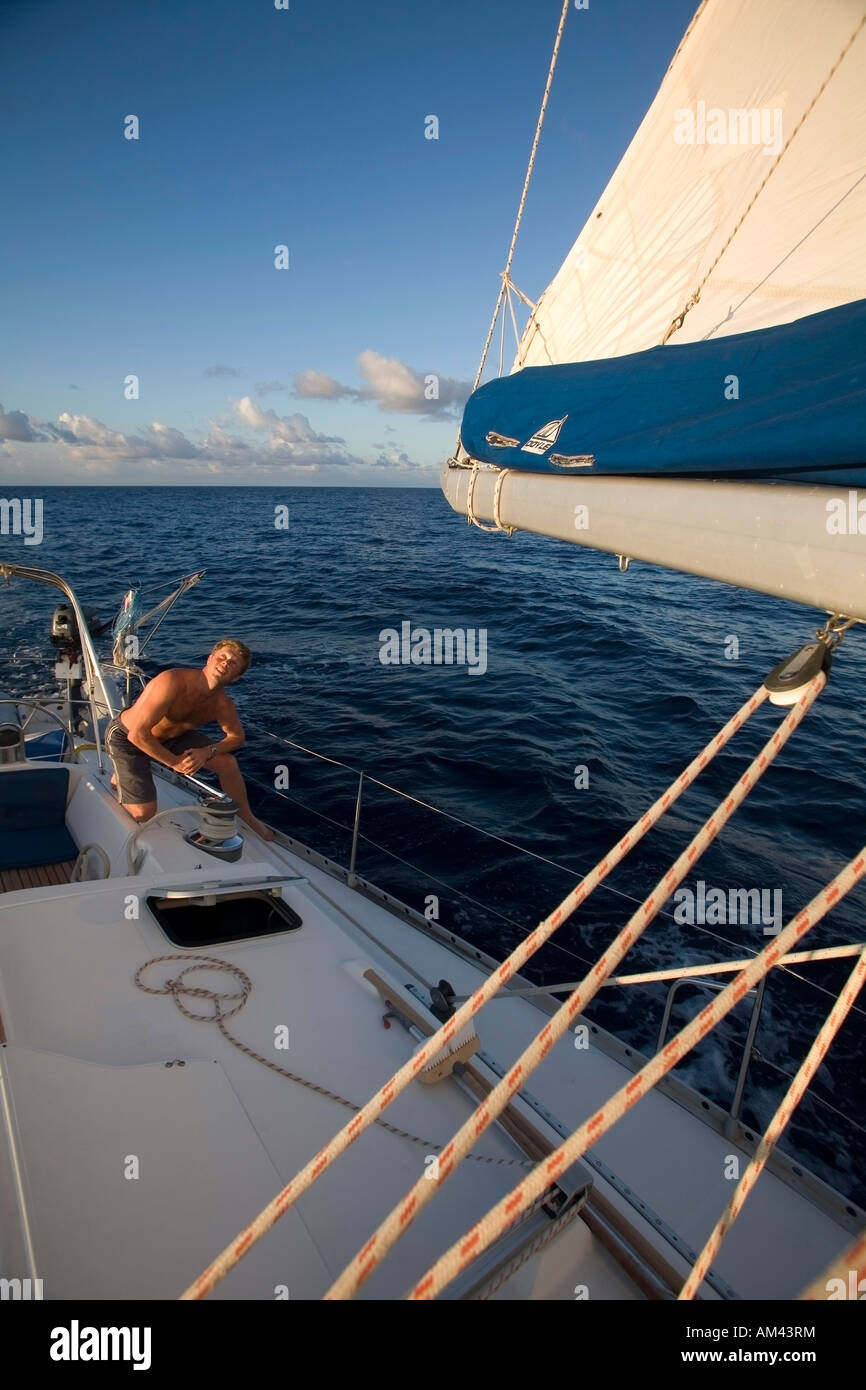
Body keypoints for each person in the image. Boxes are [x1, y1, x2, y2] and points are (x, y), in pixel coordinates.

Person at [105, 638, 274, 840]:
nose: (225, 663)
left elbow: (237, 738)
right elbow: (137, 735)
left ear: (236, 677)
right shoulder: (171, 682)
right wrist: (175, 763)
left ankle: (247, 816)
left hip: (172, 739)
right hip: (127, 738)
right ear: (209, 659)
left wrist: (207, 752)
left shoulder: (223, 704)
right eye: (222, 657)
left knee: (228, 763)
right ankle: (119, 777)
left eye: (233, 663)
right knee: (144, 813)